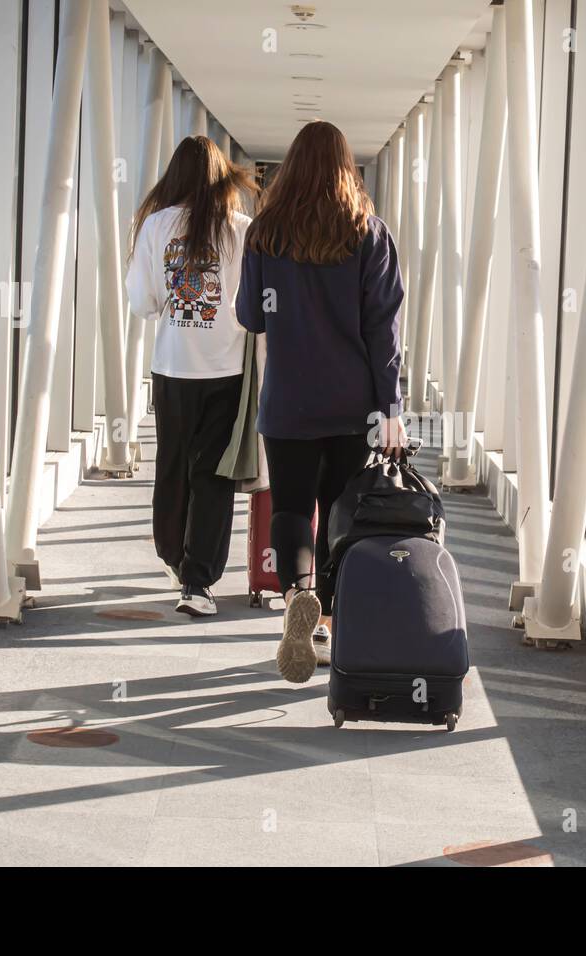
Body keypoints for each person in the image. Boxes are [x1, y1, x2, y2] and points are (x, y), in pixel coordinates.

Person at [237, 120, 407, 683]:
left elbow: (250, 315)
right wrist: (391, 408)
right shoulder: (369, 233)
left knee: (290, 507)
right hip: (350, 403)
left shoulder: (265, 234)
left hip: (289, 399)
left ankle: (295, 597)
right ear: (346, 168)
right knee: (339, 513)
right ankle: (328, 624)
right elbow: (383, 329)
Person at [126, 135, 256, 617]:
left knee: (174, 465)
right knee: (213, 475)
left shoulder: (156, 226)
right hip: (226, 368)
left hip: (173, 367)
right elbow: (252, 307)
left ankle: (174, 557)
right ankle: (199, 583)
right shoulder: (243, 229)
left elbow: (142, 303)